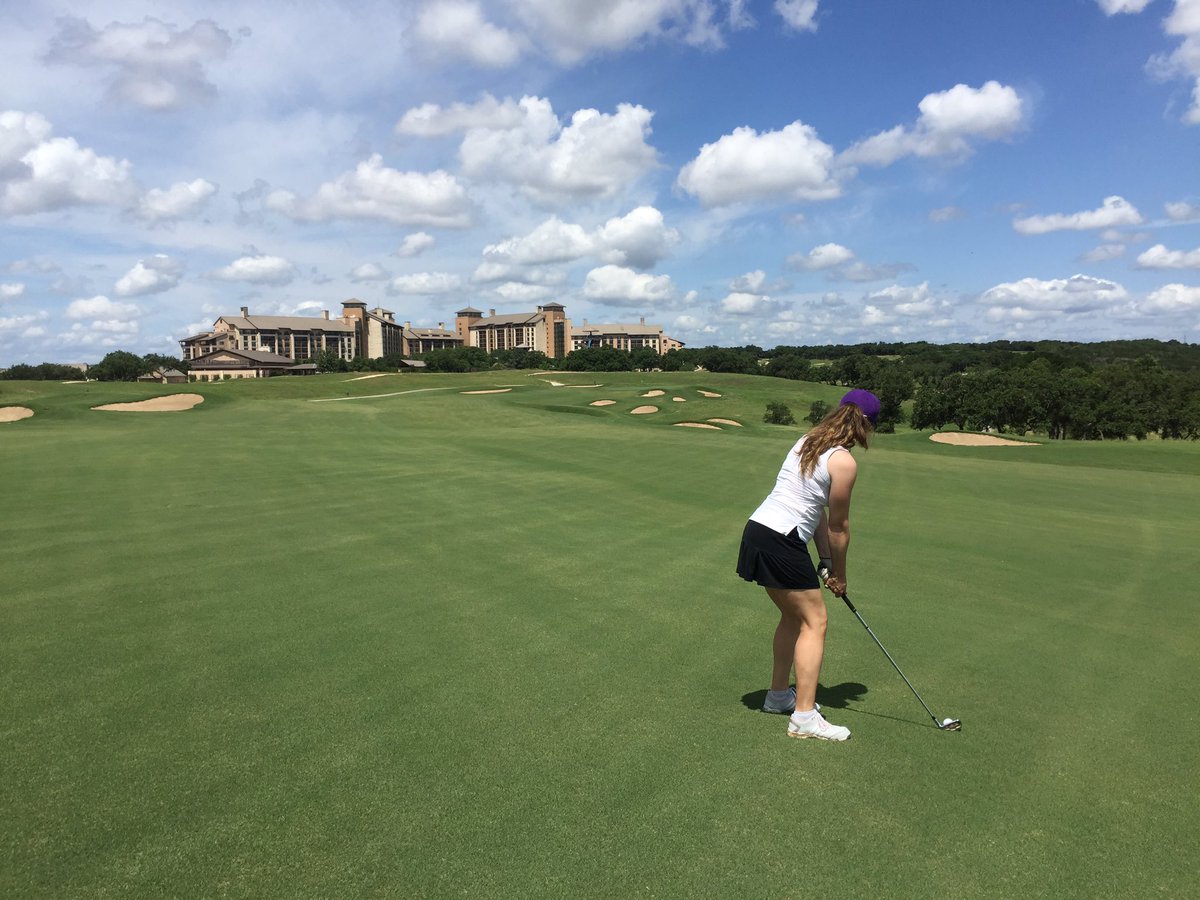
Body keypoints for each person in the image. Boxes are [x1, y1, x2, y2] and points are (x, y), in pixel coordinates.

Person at [736, 389, 879, 741]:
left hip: (759, 531)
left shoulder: (808, 441)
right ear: (866, 426)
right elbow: (838, 526)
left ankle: (778, 695)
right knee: (816, 621)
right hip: (782, 539)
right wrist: (840, 575)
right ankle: (803, 718)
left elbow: (815, 511)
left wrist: (825, 560)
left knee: (792, 616)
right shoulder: (844, 461)